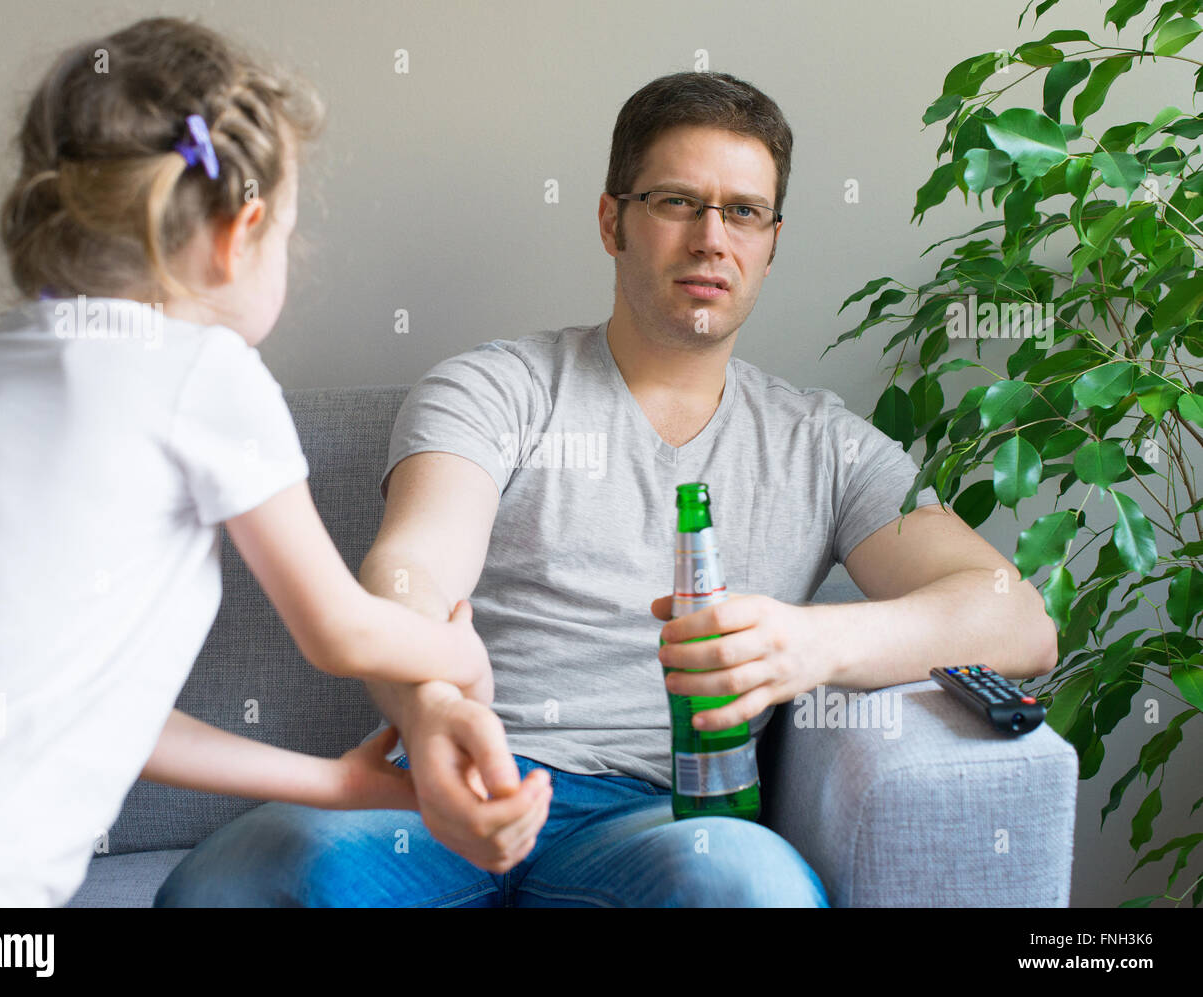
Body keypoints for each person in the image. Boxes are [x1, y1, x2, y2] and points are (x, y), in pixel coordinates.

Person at [154, 71, 1058, 908]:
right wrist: (428, 704)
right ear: (611, 219)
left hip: (658, 823)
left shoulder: (827, 445)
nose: (712, 236)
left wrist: (810, 642)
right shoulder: (494, 387)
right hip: (447, 792)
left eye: (744, 211)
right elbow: (411, 571)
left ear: (772, 242)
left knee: (751, 888)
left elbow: (1017, 618)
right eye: (677, 202)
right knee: (240, 880)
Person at [0, 16, 510, 907]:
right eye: (288, 235)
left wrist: (338, 783)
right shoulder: (200, 371)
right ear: (239, 231)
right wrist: (454, 650)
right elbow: (337, 628)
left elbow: (106, 710)